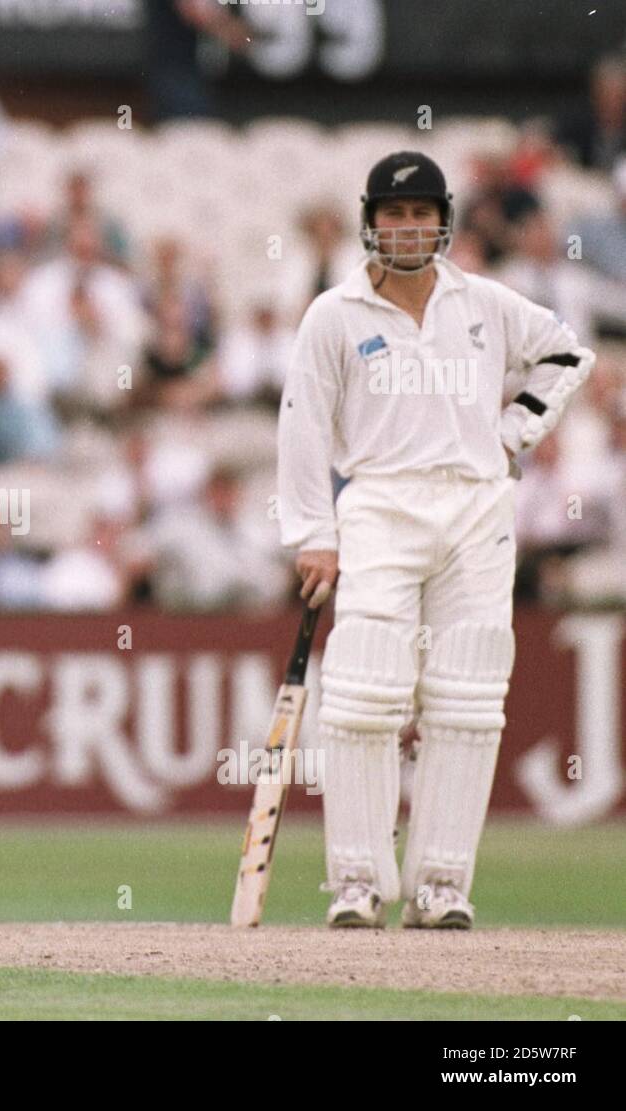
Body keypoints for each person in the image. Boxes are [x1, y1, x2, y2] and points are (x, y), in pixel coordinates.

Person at [277, 152, 595, 930]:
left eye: (422, 214)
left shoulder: (484, 302)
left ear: (443, 222)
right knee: (363, 690)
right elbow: (302, 424)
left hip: (477, 508)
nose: (409, 228)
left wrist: (512, 433)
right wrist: (314, 532)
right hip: (380, 503)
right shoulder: (334, 314)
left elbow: (567, 354)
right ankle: (357, 879)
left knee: (468, 698)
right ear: (370, 224)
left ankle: (442, 884)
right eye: (395, 214)